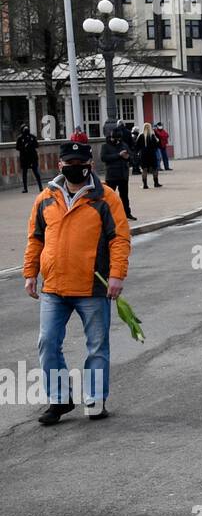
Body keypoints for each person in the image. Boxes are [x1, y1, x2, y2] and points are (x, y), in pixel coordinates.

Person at [23, 141, 131, 424]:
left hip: (92, 287)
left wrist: (117, 274)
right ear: (60, 165)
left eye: (80, 163)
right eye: (69, 164)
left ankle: (95, 400)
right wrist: (29, 272)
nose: (75, 168)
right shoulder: (45, 197)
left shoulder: (106, 198)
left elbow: (119, 239)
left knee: (96, 345)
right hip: (54, 287)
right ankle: (59, 399)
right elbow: (35, 237)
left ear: (90, 165)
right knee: (47, 343)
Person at [99, 127, 137, 221]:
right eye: (115, 139)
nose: (117, 141)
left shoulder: (123, 145)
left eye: (119, 139)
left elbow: (131, 156)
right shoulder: (105, 146)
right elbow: (104, 158)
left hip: (123, 174)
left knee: (124, 196)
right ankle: (107, 215)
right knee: (109, 197)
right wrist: (118, 155)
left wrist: (128, 157)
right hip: (112, 175)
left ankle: (127, 213)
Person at [16, 123, 43, 193]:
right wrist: (24, 147)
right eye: (24, 129)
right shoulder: (20, 138)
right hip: (24, 158)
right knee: (24, 173)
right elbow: (17, 147)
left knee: (36, 172)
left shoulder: (32, 137)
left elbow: (37, 145)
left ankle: (40, 187)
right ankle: (25, 188)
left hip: (32, 157)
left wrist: (30, 145)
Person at [136, 123, 162, 189]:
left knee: (144, 170)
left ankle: (145, 185)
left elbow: (137, 146)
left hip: (144, 154)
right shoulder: (152, 136)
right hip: (152, 154)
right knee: (155, 169)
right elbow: (157, 145)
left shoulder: (141, 136)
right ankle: (156, 183)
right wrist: (158, 141)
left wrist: (138, 152)